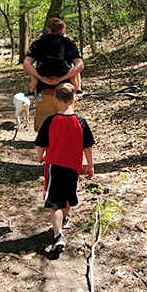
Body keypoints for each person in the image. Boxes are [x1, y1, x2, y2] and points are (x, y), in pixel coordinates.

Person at [35, 82, 95, 254]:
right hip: (73, 168)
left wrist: (40, 157)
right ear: (74, 100)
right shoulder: (81, 122)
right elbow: (88, 147)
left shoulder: (50, 121)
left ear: (55, 100)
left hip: (54, 166)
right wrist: (90, 165)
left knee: (56, 204)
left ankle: (58, 234)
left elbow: (41, 144)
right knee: (67, 200)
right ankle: (60, 226)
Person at [24, 18, 84, 130]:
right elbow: (79, 66)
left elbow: (26, 64)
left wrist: (40, 78)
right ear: (62, 30)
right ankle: (78, 91)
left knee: (44, 130)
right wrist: (62, 78)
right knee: (66, 128)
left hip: (45, 91)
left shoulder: (38, 43)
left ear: (48, 29)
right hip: (66, 93)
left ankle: (46, 148)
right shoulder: (69, 43)